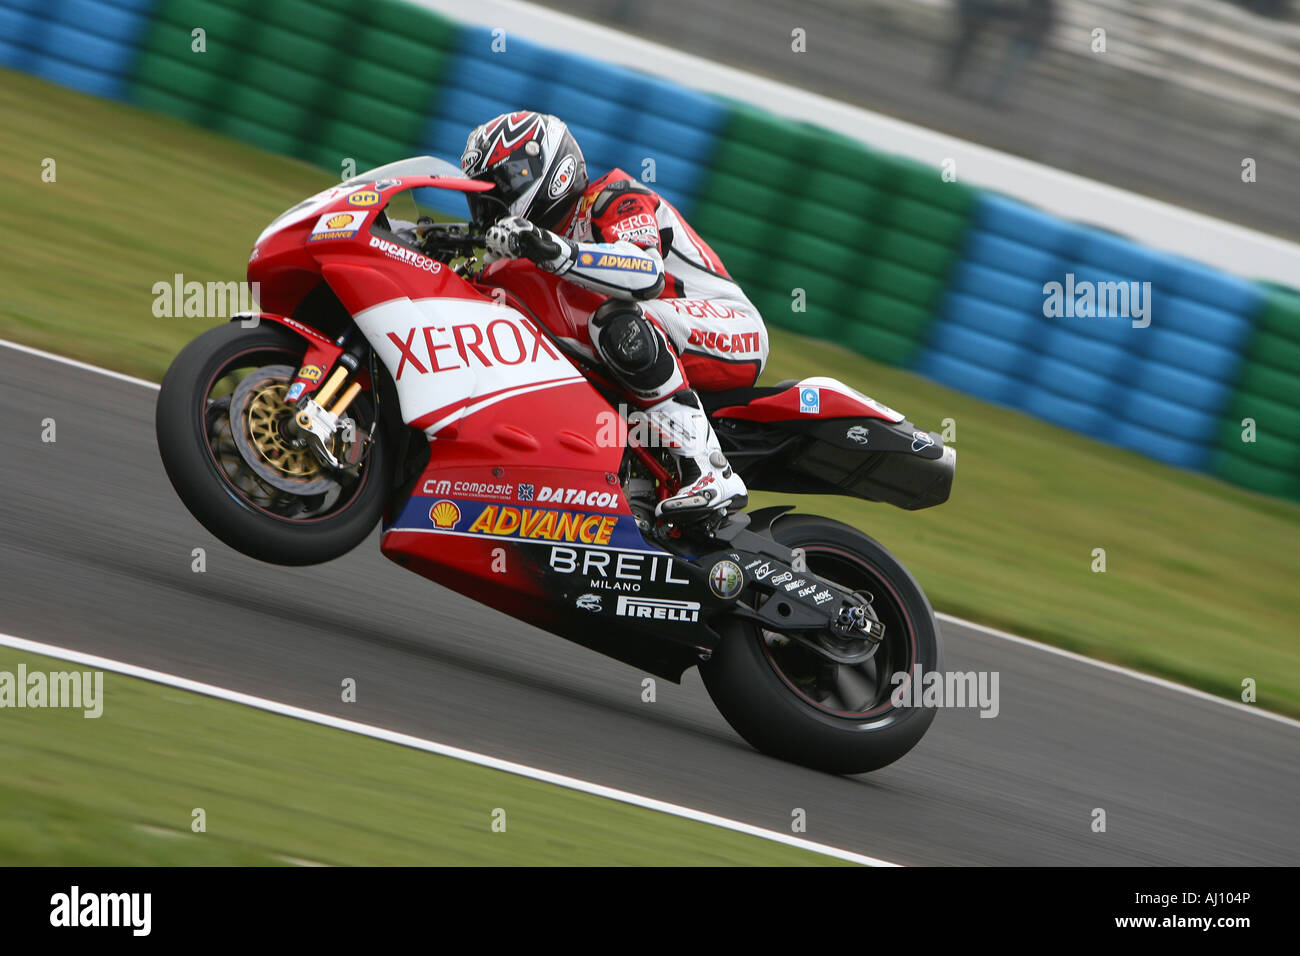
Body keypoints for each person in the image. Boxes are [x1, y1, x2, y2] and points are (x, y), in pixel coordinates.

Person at [459, 110, 768, 523]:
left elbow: (646, 274)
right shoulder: (534, 245)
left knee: (614, 322)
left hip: (730, 325)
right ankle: (634, 485)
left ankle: (711, 469)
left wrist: (553, 250)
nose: (493, 205)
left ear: (550, 167)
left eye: (503, 185)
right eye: (483, 197)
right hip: (667, 331)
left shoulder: (612, 197)